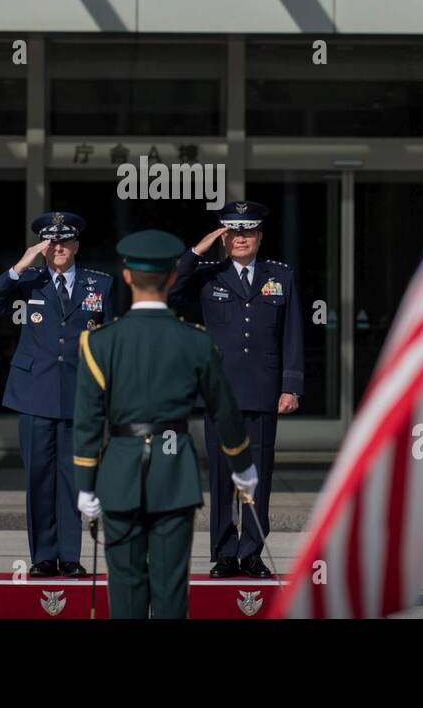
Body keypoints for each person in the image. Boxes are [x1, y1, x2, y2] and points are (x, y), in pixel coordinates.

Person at [73, 229, 256, 618]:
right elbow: (224, 412)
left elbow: (88, 421)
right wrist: (243, 469)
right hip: (174, 471)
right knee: (171, 585)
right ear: (172, 278)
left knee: (124, 585)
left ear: (126, 277)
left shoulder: (98, 342)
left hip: (120, 471)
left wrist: (85, 487)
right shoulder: (195, 341)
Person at [167, 200, 302, 578]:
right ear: (224, 238)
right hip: (220, 390)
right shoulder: (208, 274)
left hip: (263, 388)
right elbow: (171, 291)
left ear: (259, 236)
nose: (240, 238)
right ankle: (225, 553)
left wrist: (290, 386)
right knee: (223, 477)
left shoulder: (281, 277)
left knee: (257, 476)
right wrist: (196, 252)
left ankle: (252, 551)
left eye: (247, 232)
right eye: (233, 232)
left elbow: (293, 334)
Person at [0, 210, 112, 577]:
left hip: (78, 395)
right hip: (34, 394)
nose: (59, 248)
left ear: (76, 245)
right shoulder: (29, 282)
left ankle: (69, 556)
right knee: (39, 478)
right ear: (43, 246)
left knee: (72, 479)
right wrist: (20, 264)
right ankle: (43, 557)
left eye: (65, 241)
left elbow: (110, 341)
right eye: (52, 242)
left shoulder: (99, 284)